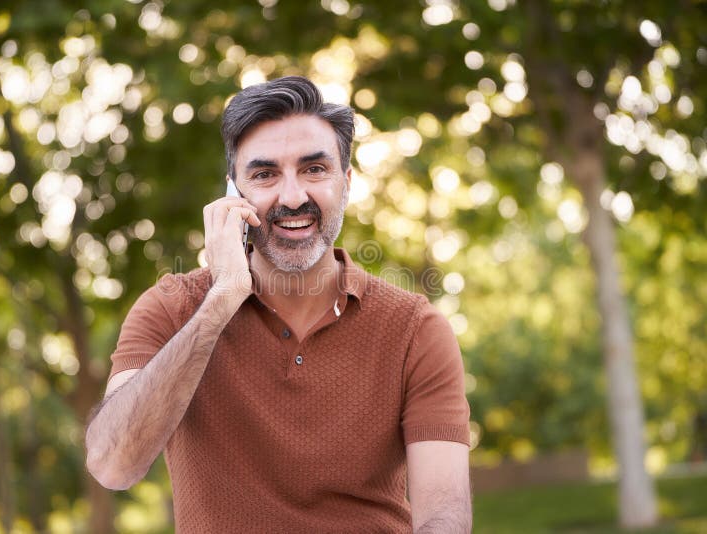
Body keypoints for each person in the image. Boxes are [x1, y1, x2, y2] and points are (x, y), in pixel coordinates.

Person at [85, 76, 471, 533]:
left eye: (314, 169)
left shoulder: (415, 329)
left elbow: (444, 517)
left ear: (345, 183)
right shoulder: (171, 307)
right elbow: (113, 466)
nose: (292, 197)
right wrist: (221, 300)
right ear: (233, 195)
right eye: (265, 174)